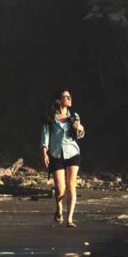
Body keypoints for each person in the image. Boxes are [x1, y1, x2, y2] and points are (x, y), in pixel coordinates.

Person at [39, 88, 85, 227]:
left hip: (72, 153)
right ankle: (59, 208)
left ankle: (70, 219)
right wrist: (44, 153)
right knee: (60, 188)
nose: (70, 98)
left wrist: (79, 127)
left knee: (72, 186)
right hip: (55, 154)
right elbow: (45, 135)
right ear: (59, 100)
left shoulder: (74, 116)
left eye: (70, 96)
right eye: (67, 97)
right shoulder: (50, 116)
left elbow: (81, 134)